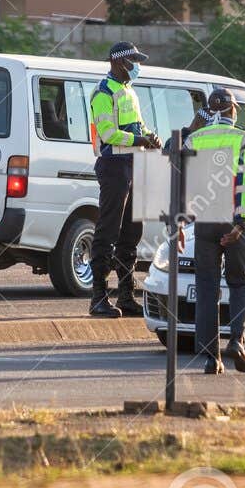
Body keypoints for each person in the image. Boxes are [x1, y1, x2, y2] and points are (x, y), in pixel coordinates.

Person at [185, 87, 245, 373]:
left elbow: (179, 171)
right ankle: (237, 340)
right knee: (241, 283)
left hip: (204, 218)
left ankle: (210, 357)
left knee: (206, 287)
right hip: (232, 218)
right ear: (233, 110)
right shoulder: (243, 140)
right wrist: (240, 223)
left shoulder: (195, 139)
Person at [87, 41, 162, 317]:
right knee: (108, 230)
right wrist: (140, 139)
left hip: (135, 164)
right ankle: (98, 297)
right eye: (134, 61)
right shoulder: (103, 92)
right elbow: (107, 133)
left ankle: (126, 295)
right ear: (119, 62)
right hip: (114, 166)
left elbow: (138, 125)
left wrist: (150, 137)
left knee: (132, 232)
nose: (137, 66)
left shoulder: (129, 91)